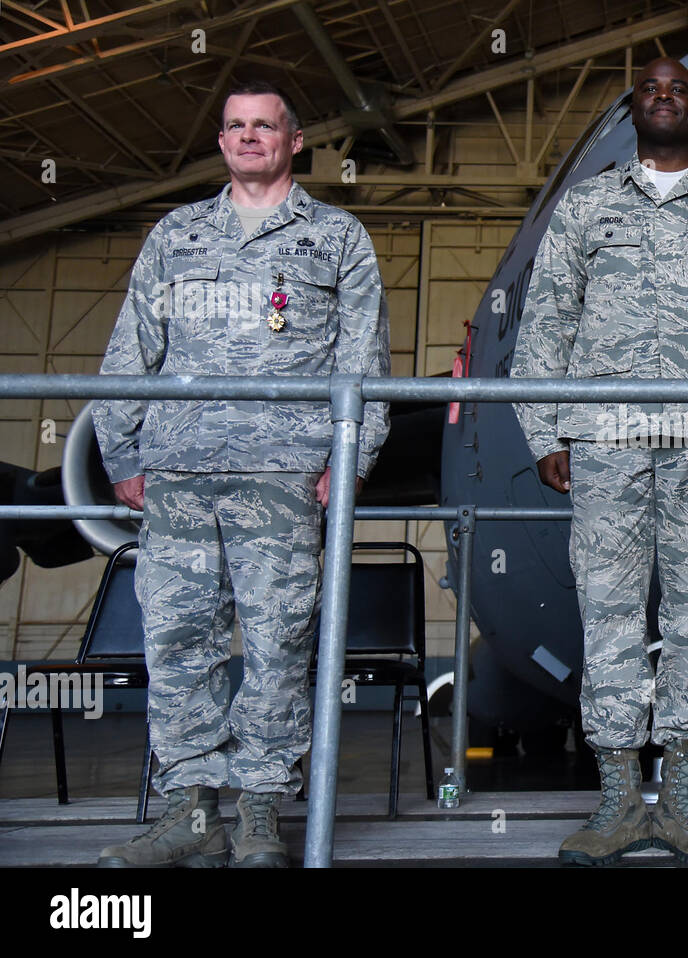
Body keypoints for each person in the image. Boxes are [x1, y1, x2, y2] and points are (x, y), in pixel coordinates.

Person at [91, 80, 391, 868]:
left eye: (265, 126)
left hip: (282, 471)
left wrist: (348, 459)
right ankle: (191, 814)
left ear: (295, 140)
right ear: (221, 141)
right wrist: (122, 454)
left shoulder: (336, 238)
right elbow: (132, 347)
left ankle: (259, 815)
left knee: (277, 643)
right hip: (178, 469)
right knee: (177, 642)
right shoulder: (176, 235)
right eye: (234, 126)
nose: (249, 137)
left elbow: (364, 362)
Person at [511, 57, 688, 865]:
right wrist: (545, 432)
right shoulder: (588, 205)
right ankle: (614, 802)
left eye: (677, 88)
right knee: (606, 621)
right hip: (605, 446)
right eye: (649, 88)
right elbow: (546, 328)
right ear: (632, 108)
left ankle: (681, 800)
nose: (664, 96)